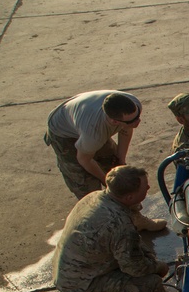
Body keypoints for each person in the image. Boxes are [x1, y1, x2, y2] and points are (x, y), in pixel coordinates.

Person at [53, 165, 169, 292]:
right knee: (151, 284)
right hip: (80, 285)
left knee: (140, 252)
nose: (149, 188)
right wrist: (158, 267)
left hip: (77, 271)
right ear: (129, 197)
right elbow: (135, 268)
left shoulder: (95, 197)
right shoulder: (118, 224)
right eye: (145, 186)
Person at [46, 90, 166, 232]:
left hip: (84, 117)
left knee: (122, 176)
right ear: (113, 121)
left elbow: (125, 129)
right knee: (88, 189)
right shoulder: (94, 133)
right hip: (63, 133)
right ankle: (106, 232)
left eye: (137, 117)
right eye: (132, 121)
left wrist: (120, 159)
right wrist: (107, 181)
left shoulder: (132, 104)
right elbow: (84, 160)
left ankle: (136, 219)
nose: (138, 122)